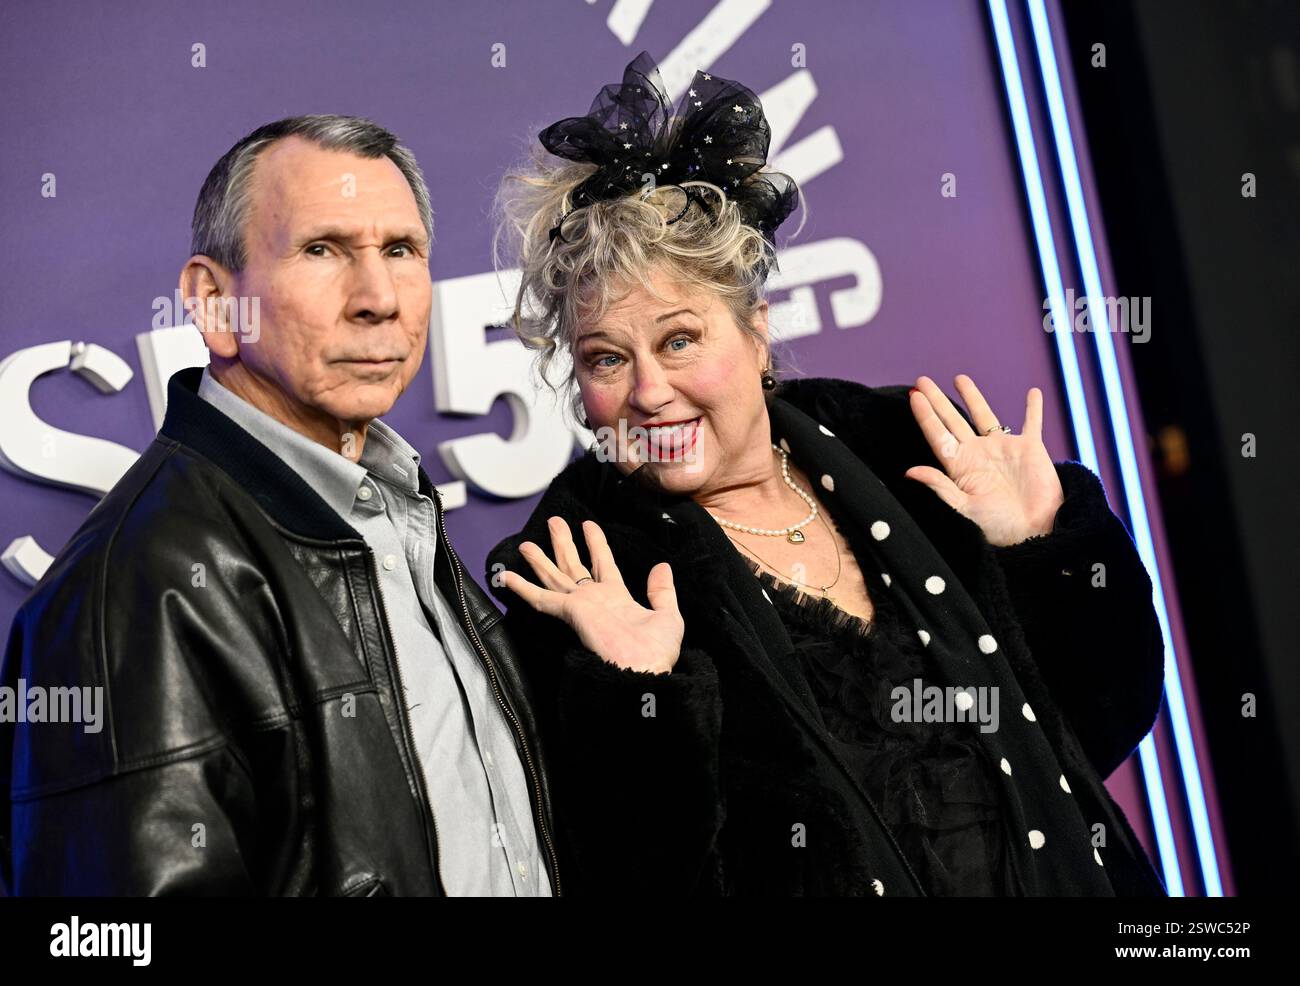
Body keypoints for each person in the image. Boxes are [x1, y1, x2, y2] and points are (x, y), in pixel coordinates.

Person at [485, 51, 1168, 896]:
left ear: (757, 333)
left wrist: (1042, 553)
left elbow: (1101, 722)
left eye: (679, 340)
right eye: (606, 359)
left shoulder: (902, 450)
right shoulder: (584, 569)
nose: (649, 392)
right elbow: (640, 878)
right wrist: (642, 696)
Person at [0, 115, 559, 896]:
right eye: (322, 250)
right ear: (214, 300)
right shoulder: (131, 586)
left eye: (399, 251)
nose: (376, 299)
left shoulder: (396, 512)